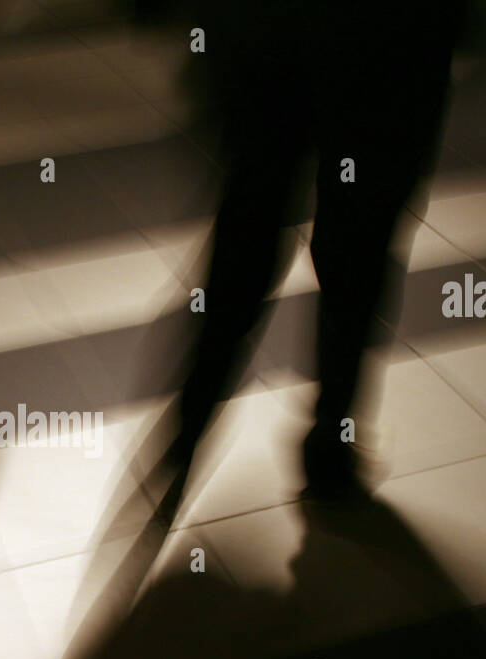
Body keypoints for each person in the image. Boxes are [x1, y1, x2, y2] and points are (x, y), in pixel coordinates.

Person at [163, 0, 461, 505]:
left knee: (249, 228)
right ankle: (330, 437)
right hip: (394, 49)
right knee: (358, 247)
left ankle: (191, 419)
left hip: (272, 38)